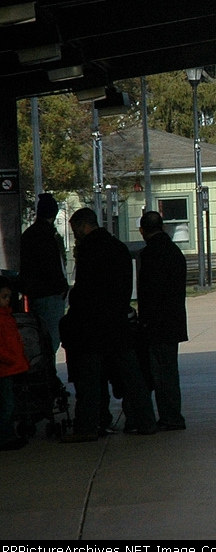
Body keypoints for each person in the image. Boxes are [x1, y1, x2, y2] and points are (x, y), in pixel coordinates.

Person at [59, 208, 157, 442]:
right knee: (132, 376)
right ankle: (146, 421)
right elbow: (125, 287)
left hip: (93, 325)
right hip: (118, 322)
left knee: (90, 378)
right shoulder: (118, 247)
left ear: (84, 226)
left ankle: (88, 426)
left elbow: (83, 290)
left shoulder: (88, 251)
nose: (75, 235)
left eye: (75, 230)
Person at [136, 211, 188, 431]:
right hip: (173, 320)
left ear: (142, 231)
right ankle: (173, 414)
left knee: (159, 373)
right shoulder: (175, 252)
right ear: (163, 227)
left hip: (155, 323)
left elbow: (148, 292)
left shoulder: (149, 255)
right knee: (170, 372)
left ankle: (169, 417)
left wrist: (144, 321)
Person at [19, 193, 69, 363]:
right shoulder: (48, 236)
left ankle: (43, 374)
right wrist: (62, 286)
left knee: (39, 338)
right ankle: (49, 376)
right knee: (51, 339)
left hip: (35, 294)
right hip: (51, 294)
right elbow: (52, 267)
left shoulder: (29, 235)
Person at [0, 276, 29, 451]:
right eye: (4, 297)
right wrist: (12, 359)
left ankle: (8, 435)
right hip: (5, 367)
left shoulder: (7, 317)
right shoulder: (5, 318)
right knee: (6, 405)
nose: (8, 300)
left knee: (9, 404)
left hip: (10, 366)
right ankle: (5, 437)